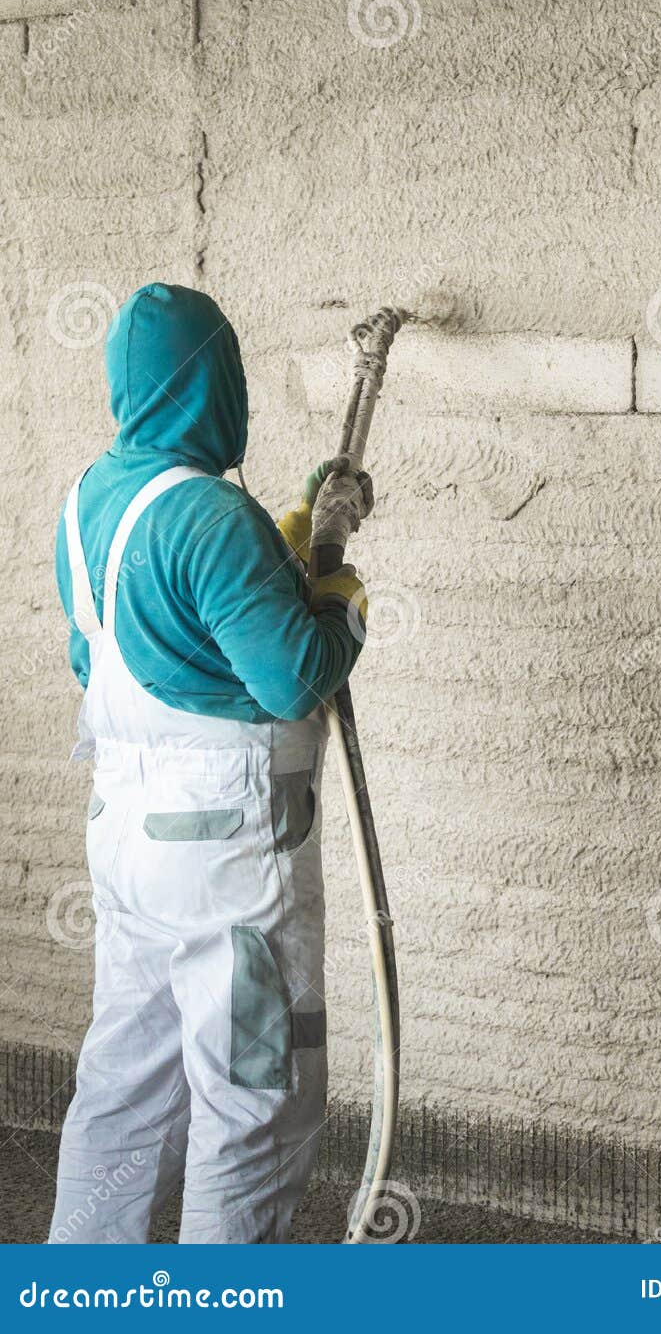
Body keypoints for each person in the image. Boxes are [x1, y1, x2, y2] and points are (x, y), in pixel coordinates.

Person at [49, 282, 372, 1244]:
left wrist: (297, 527)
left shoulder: (88, 500)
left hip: (128, 842)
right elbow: (293, 675)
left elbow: (142, 642)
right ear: (210, 385)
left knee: (126, 1088)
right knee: (249, 1101)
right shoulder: (211, 516)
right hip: (226, 861)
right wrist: (336, 579)